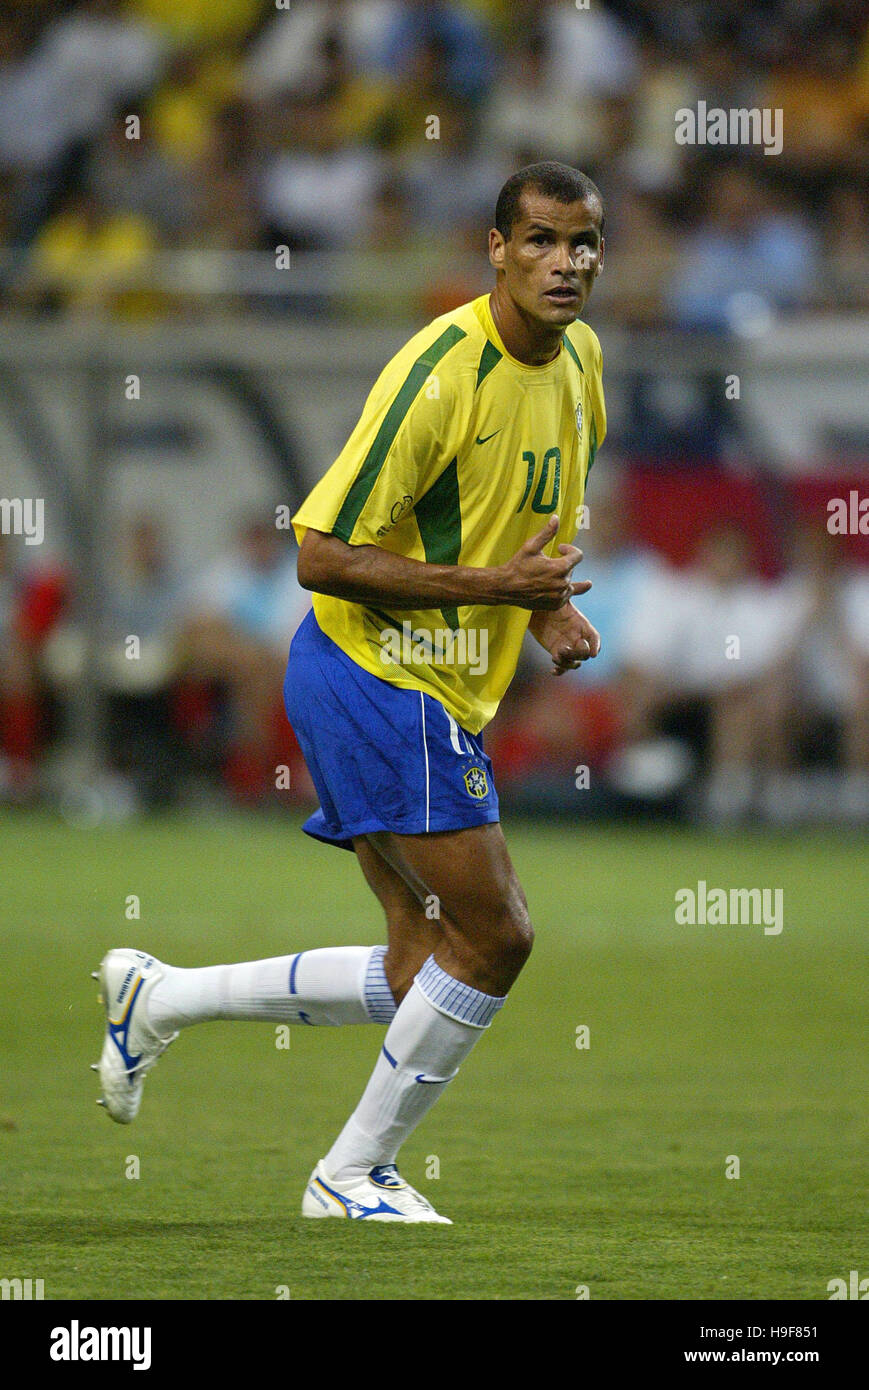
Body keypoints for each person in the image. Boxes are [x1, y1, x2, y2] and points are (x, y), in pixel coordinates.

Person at [93, 161, 607, 1223]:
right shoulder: (437, 375)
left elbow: (527, 520)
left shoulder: (581, 363)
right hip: (374, 667)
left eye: (585, 242)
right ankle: (351, 1171)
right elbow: (318, 553)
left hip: (432, 684)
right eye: (544, 241)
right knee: (499, 932)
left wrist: (542, 603)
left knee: (425, 960)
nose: (566, 263)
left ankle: (161, 996)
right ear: (495, 249)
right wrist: (489, 588)